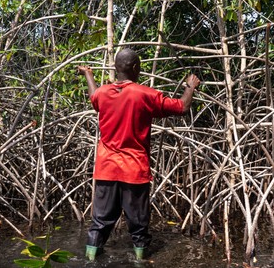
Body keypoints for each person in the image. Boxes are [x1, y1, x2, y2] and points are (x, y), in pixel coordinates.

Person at [78, 48, 200, 261]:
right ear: (135, 68)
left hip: (106, 169)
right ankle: (140, 262)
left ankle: (90, 261)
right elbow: (181, 107)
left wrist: (88, 74)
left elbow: (93, 95)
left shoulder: (104, 93)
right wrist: (190, 87)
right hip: (133, 170)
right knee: (138, 225)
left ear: (116, 69)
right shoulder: (145, 94)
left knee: (100, 223)